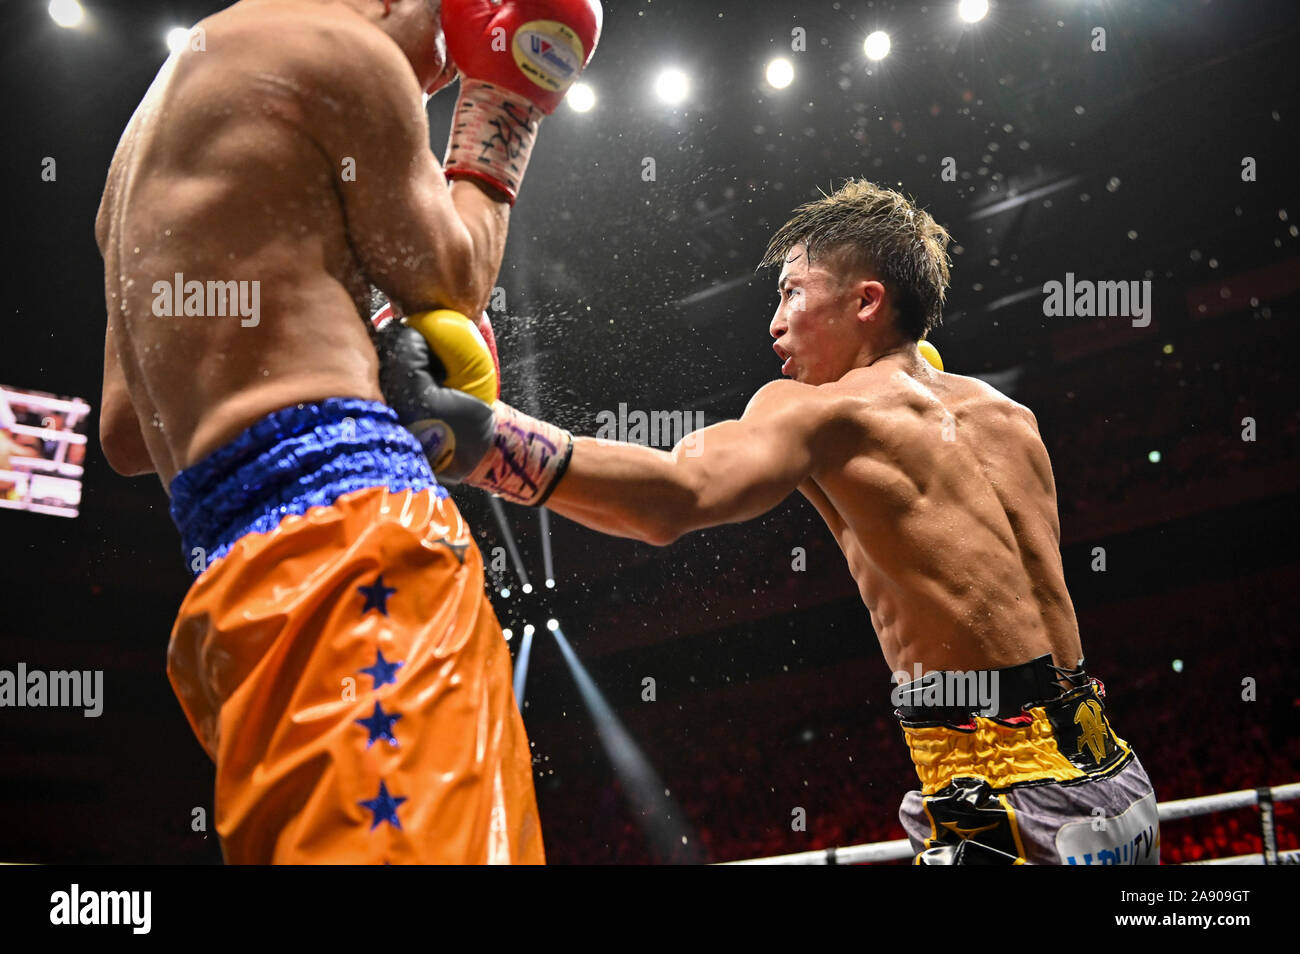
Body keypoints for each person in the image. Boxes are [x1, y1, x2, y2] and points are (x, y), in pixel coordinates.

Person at [382, 179, 1160, 865]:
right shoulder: (1013, 419)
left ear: (866, 301)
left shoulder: (824, 413)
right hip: (1116, 779)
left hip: (1000, 803)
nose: (774, 325)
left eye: (792, 292)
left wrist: (484, 440)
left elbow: (675, 496)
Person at [96, 0, 601, 863]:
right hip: (357, 556)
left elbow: (123, 432)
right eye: (445, 45)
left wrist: (340, 331)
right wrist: (504, 97)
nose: (438, 76)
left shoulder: (136, 153)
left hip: (228, 601)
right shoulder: (342, 47)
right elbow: (457, 278)